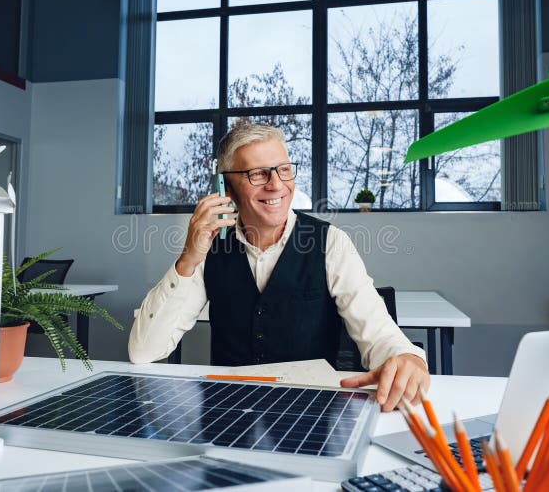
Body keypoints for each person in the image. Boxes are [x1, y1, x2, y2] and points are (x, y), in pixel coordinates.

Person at [129, 120, 429, 411]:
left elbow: (379, 332)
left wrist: (406, 357)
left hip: (309, 415)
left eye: (284, 170)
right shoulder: (209, 248)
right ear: (227, 189)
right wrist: (188, 259)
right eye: (258, 174)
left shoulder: (331, 243)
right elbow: (144, 350)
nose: (276, 185)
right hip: (228, 416)